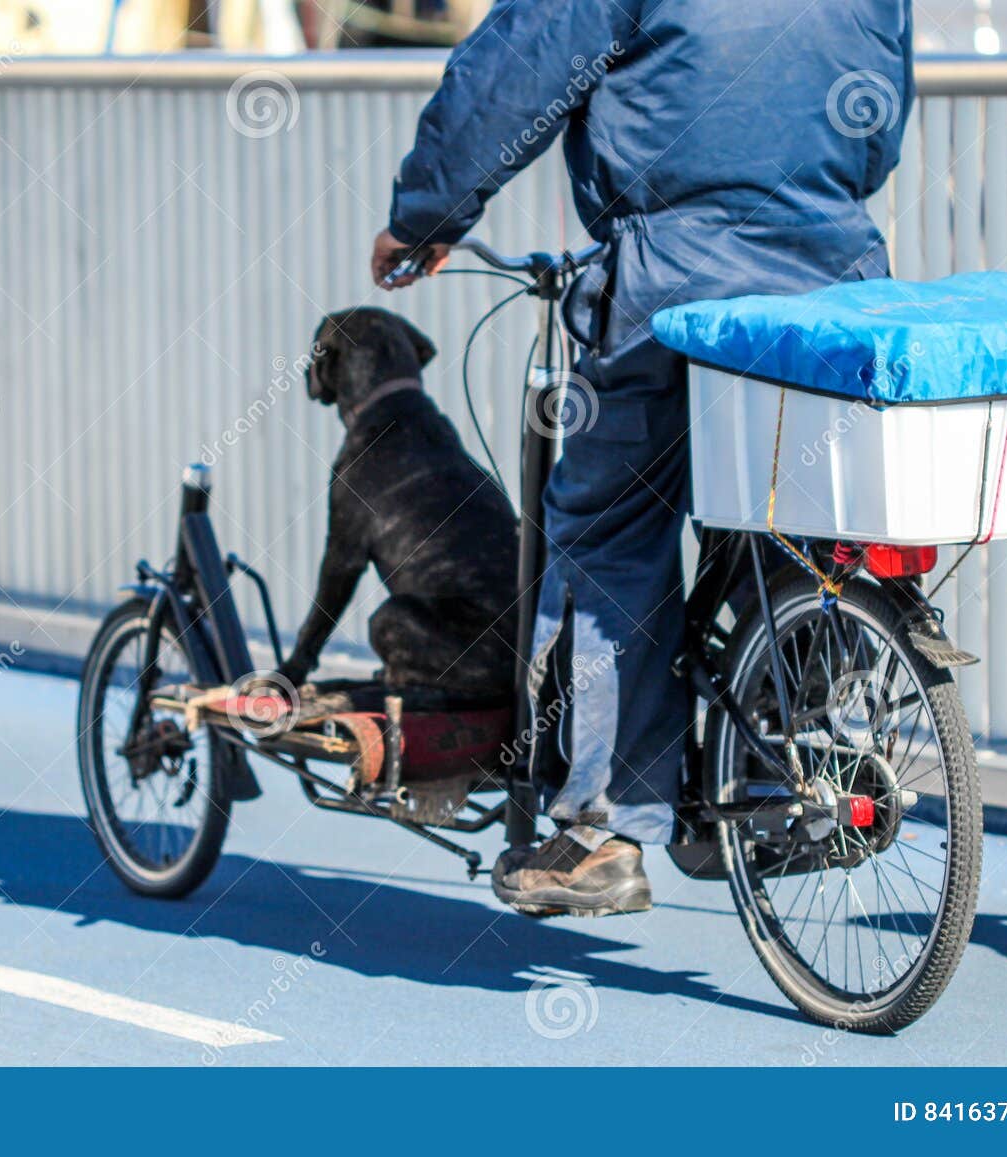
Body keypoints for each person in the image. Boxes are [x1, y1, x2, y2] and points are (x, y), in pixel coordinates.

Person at [371, 0, 913, 916]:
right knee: (793, 510)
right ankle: (784, 758)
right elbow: (880, 127)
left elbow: (510, 77)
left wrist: (428, 214)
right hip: (834, 278)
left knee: (608, 527)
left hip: (672, 279)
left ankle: (604, 829)